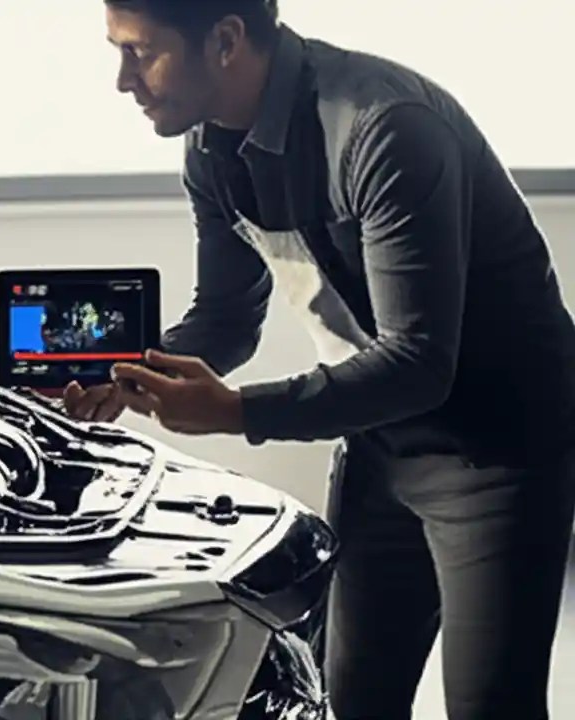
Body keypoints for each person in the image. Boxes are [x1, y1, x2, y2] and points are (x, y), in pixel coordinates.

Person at [66, 1, 575, 718]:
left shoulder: (385, 128)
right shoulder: (210, 149)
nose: (123, 79)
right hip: (378, 439)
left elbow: (421, 361)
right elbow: (226, 319)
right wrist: (132, 377)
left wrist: (238, 413)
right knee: (353, 695)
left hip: (496, 450)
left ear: (226, 41)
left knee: (490, 705)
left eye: (141, 51)